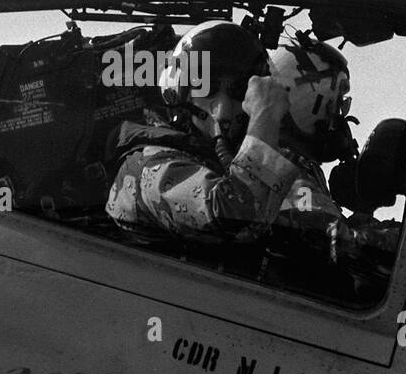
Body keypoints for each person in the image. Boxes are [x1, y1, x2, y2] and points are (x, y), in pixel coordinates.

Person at [105, 21, 303, 245]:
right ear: (183, 91)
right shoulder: (147, 166)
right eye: (206, 86)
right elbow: (234, 215)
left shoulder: (224, 164)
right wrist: (266, 114)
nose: (244, 104)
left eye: (245, 92)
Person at [264, 35, 400, 299]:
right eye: (337, 104)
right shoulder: (281, 166)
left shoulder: (282, 161)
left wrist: (363, 211)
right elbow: (343, 244)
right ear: (308, 101)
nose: (341, 118)